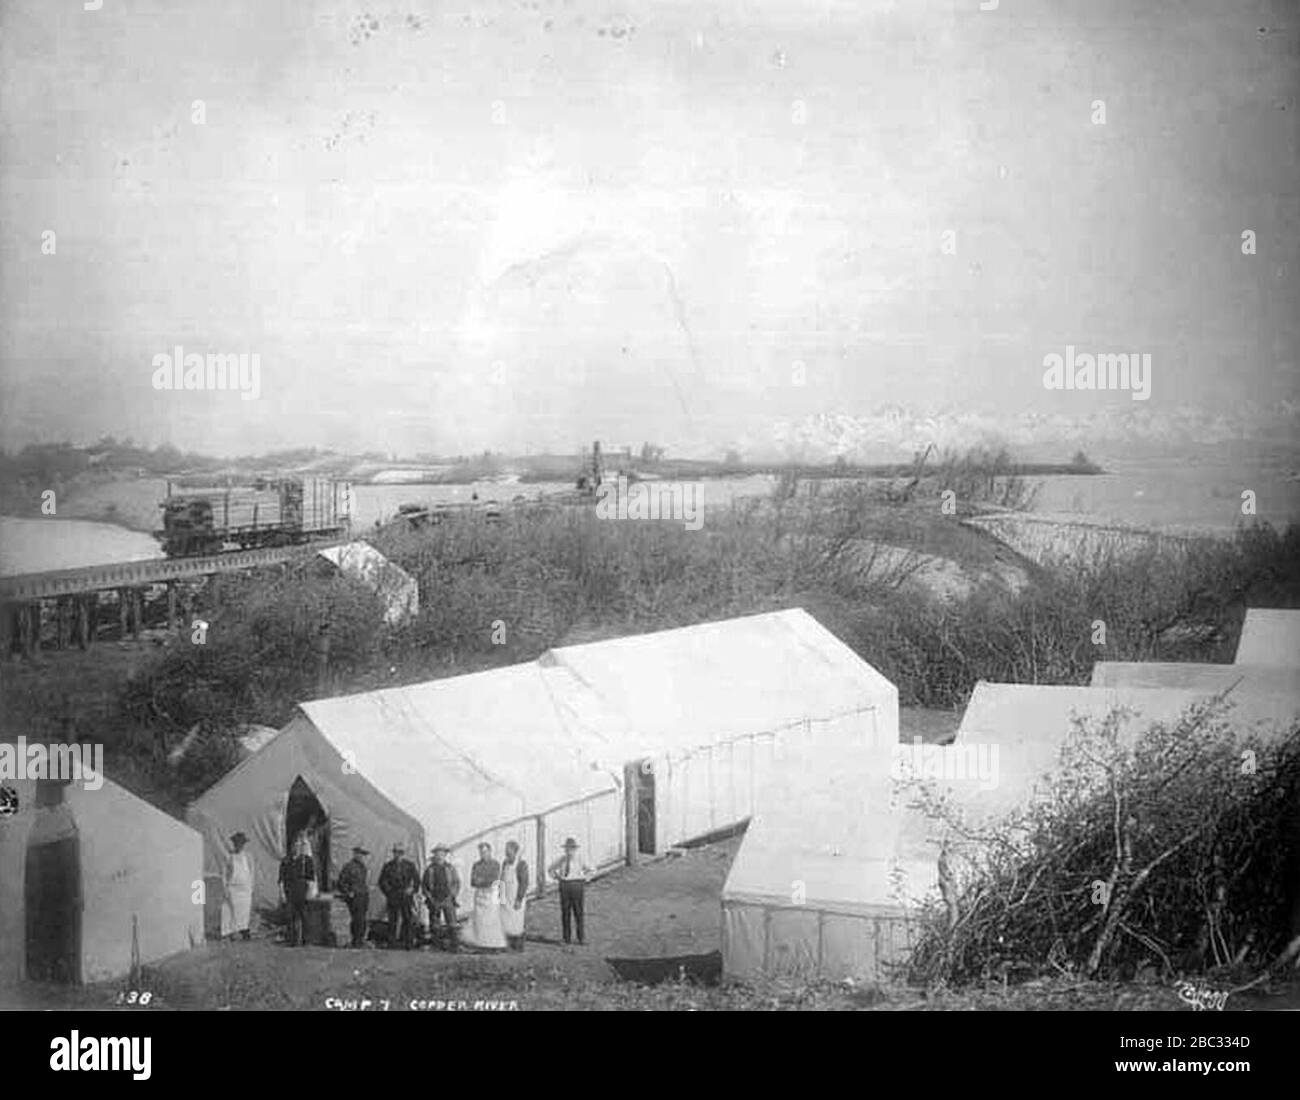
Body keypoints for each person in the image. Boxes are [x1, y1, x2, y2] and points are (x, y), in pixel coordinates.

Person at [548, 837, 595, 946]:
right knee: (565, 913)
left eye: (571, 849)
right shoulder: (562, 859)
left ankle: (581, 938)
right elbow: (550, 869)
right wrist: (557, 877)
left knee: (578, 912)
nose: (569, 851)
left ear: (575, 849)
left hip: (577, 886)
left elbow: (592, 870)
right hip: (565, 886)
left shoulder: (580, 859)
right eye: (567, 849)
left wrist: (584, 879)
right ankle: (566, 938)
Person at [462, 842, 507, 950]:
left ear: (490, 852)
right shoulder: (476, 865)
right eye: (481, 852)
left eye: (486, 852)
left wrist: (482, 880)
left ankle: (494, 943)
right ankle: (481, 941)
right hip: (480, 894)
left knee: (492, 917)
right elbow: (472, 881)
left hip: (491, 893)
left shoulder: (495, 864)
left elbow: (494, 879)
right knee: (480, 918)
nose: (483, 854)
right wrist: (481, 881)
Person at [378, 843, 419, 949]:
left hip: (406, 896)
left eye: (401, 852)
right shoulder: (388, 866)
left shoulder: (410, 865)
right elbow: (382, 881)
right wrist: (389, 892)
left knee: (408, 919)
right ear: (393, 853)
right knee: (392, 920)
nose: (398, 855)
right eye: (396, 852)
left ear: (404, 854)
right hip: (393, 895)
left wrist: (412, 890)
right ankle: (392, 943)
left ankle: (407, 942)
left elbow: (417, 881)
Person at [278, 834, 316, 947]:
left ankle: (306, 940)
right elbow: (281, 879)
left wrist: (310, 892)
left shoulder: (307, 860)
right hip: (290, 889)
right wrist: (282, 894)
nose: (297, 848)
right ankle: (292, 940)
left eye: (299, 845)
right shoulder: (286, 861)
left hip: (303, 889)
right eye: (295, 845)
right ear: (291, 847)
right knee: (291, 916)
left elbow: (311, 878)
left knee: (305, 916)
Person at [421, 844, 461, 951]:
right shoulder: (429, 869)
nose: (439, 856)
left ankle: (454, 945)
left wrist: (452, 895)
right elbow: (424, 885)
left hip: (448, 898)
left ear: (445, 855)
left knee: (452, 923)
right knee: (435, 924)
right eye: (438, 853)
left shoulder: (450, 868)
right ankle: (436, 945)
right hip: (434, 899)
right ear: (434, 855)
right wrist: (429, 897)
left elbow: (456, 883)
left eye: (442, 854)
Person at [220, 831, 255, 942]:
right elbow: (224, 873)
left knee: (244, 911)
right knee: (229, 910)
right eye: (237, 843)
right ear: (234, 843)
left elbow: (252, 872)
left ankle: (244, 930)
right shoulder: (230, 857)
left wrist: (252, 886)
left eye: (241, 843)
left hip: (245, 888)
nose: (239, 845)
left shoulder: (248, 857)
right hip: (233, 888)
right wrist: (225, 887)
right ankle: (229, 932)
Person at [335, 845, 371, 948]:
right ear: (355, 854)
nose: (361, 856)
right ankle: (356, 940)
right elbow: (341, 882)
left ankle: (360, 939)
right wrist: (348, 892)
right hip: (354, 896)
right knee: (357, 919)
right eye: (360, 854)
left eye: (363, 855)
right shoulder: (349, 866)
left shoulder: (363, 867)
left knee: (362, 919)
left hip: (363, 895)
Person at [499, 839, 529, 951]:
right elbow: (501, 880)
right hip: (506, 898)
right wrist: (500, 896)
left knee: (517, 922)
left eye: (509, 850)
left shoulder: (521, 864)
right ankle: (508, 944)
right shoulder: (505, 863)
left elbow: (524, 883)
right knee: (505, 921)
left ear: (515, 851)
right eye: (506, 851)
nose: (507, 853)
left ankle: (518, 946)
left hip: (515, 897)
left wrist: (519, 899)